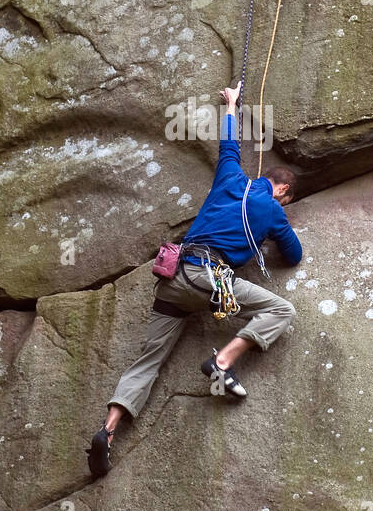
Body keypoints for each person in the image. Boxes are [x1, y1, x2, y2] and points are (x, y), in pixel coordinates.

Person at [86, 81, 303, 478]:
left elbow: (229, 144)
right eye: (286, 198)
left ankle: (108, 429)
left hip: (173, 278)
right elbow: (294, 256)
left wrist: (233, 104)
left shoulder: (229, 176)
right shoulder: (273, 211)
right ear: (284, 189)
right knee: (281, 309)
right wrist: (274, 225)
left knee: (148, 361)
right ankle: (222, 362)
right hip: (209, 278)